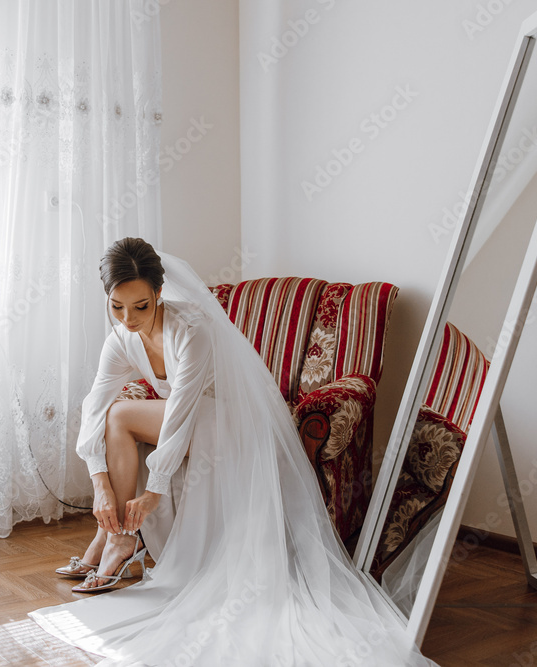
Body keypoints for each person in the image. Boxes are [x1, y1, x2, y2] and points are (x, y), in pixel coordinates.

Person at [31, 238, 436, 666]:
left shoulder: (192, 332)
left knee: (120, 416)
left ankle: (115, 541)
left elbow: (182, 413)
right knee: (111, 412)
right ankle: (112, 537)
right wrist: (98, 483)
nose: (129, 319)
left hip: (233, 423)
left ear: (159, 294)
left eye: (141, 306)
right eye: (117, 307)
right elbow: (93, 404)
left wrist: (157, 489)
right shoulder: (121, 339)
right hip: (193, 420)